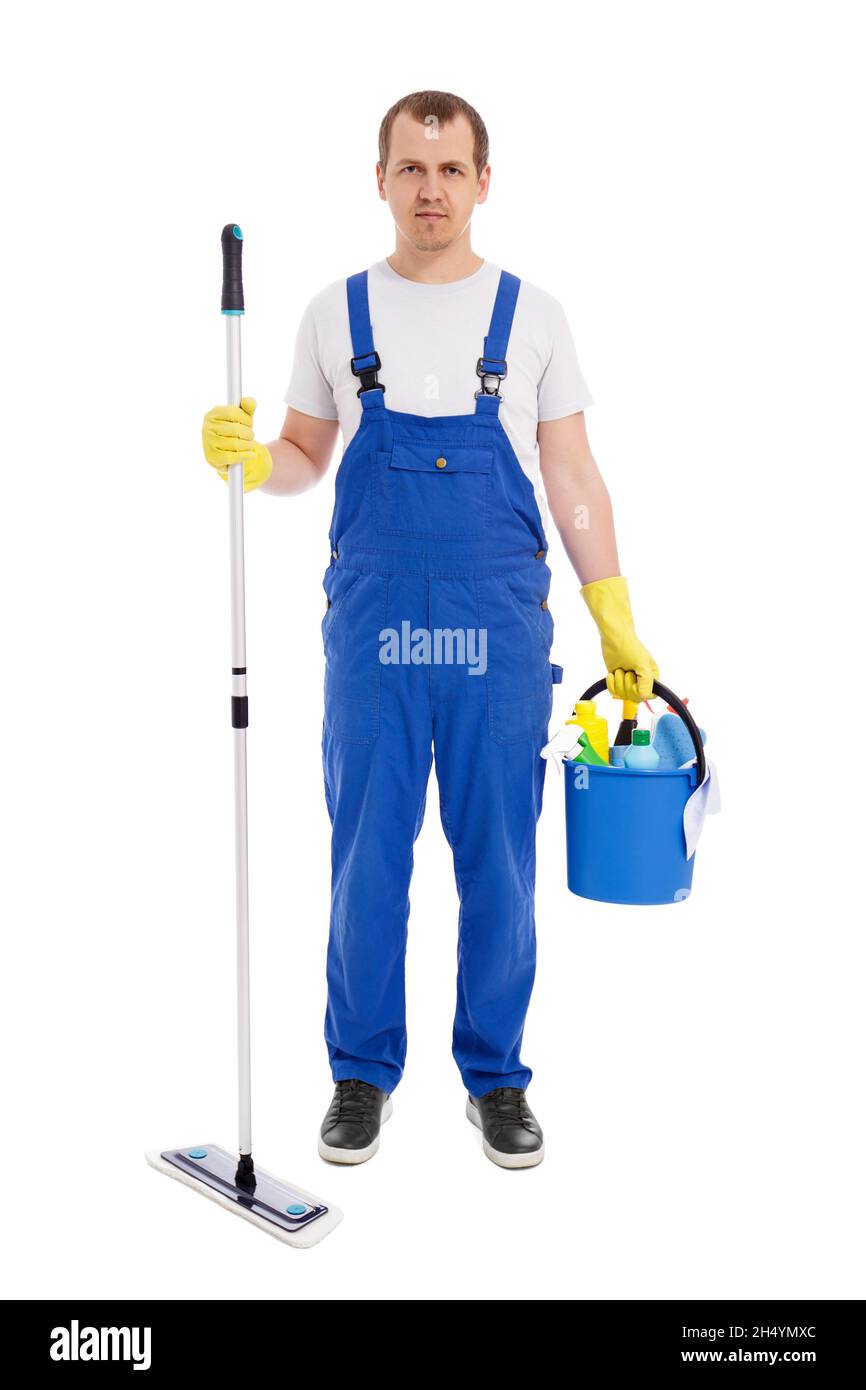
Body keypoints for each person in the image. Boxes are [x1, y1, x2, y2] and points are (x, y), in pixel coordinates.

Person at [202, 90, 659, 1171]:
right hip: (372, 636)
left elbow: (571, 473)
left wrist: (610, 608)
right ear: (380, 179)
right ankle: (360, 1072)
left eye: (450, 170)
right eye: (410, 168)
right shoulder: (333, 311)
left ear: (482, 182)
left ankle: (495, 1079)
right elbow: (308, 456)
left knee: (498, 857)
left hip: (498, 632)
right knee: (366, 856)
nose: (430, 190)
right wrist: (253, 459)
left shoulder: (533, 314)